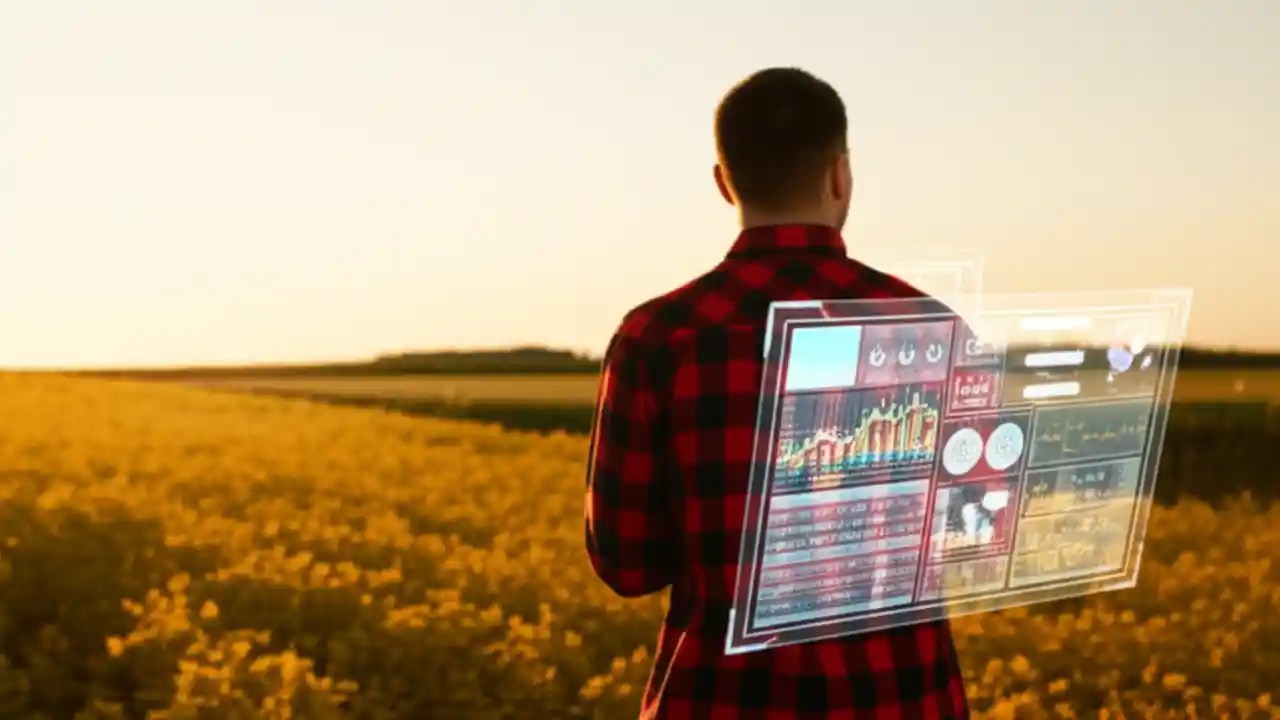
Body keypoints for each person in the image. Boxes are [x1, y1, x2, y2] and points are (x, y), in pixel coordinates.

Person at [585, 67, 969, 719]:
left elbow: (627, 566)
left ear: (723, 181)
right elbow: (973, 530)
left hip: (719, 702)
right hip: (903, 700)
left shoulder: (658, 337)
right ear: (840, 175)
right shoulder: (931, 328)